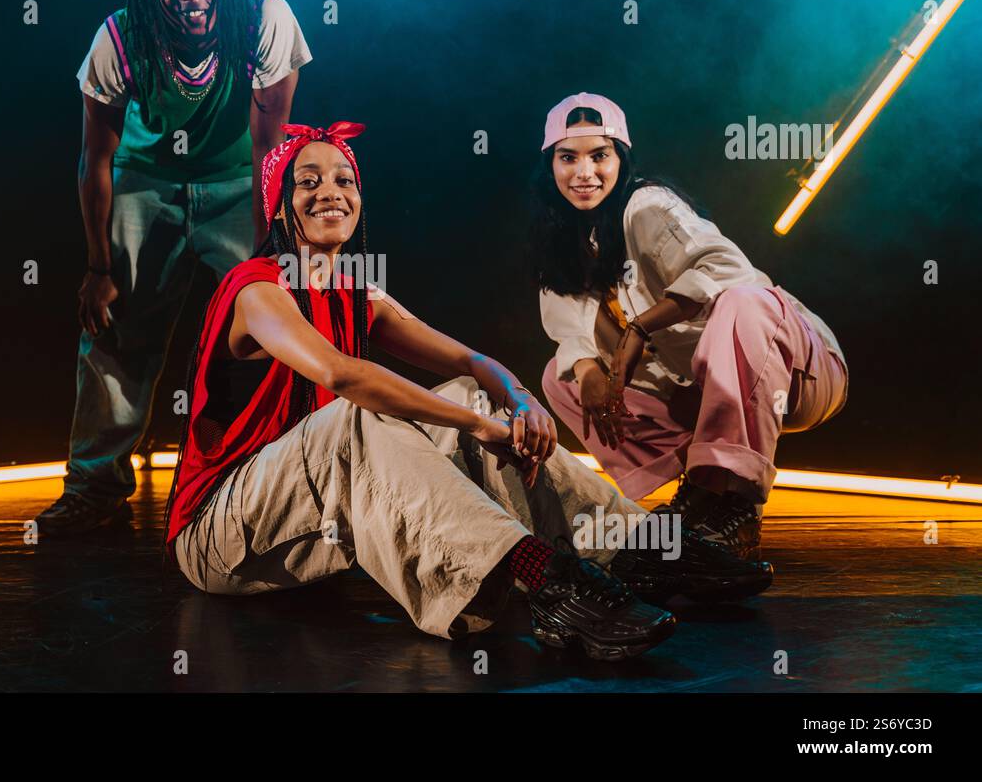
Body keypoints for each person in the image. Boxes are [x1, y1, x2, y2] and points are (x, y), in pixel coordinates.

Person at [165, 121, 771, 661]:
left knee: (465, 395)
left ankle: (642, 547)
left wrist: (517, 400)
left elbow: (473, 361)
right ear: (279, 205)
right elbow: (343, 375)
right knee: (363, 415)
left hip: (309, 523)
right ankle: (548, 582)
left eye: (344, 180)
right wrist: (481, 429)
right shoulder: (257, 290)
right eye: (308, 181)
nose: (331, 192)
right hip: (223, 537)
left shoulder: (353, 289)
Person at [37, 0, 311, 536]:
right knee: (114, 330)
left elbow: (271, 147)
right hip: (145, 183)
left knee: (274, 322)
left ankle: (283, 476)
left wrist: (276, 250)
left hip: (237, 180)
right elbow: (95, 157)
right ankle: (94, 487)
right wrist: (99, 267)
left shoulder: (265, 17)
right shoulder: (118, 38)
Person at [533, 93, 849, 561]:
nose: (584, 173)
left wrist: (641, 327)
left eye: (599, 155)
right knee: (561, 379)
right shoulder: (566, 237)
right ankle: (703, 492)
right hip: (705, 393)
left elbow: (725, 268)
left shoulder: (647, 205)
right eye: (568, 158)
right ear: (551, 165)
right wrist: (588, 371)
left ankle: (735, 500)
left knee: (743, 303)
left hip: (799, 372)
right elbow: (566, 325)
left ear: (621, 157)